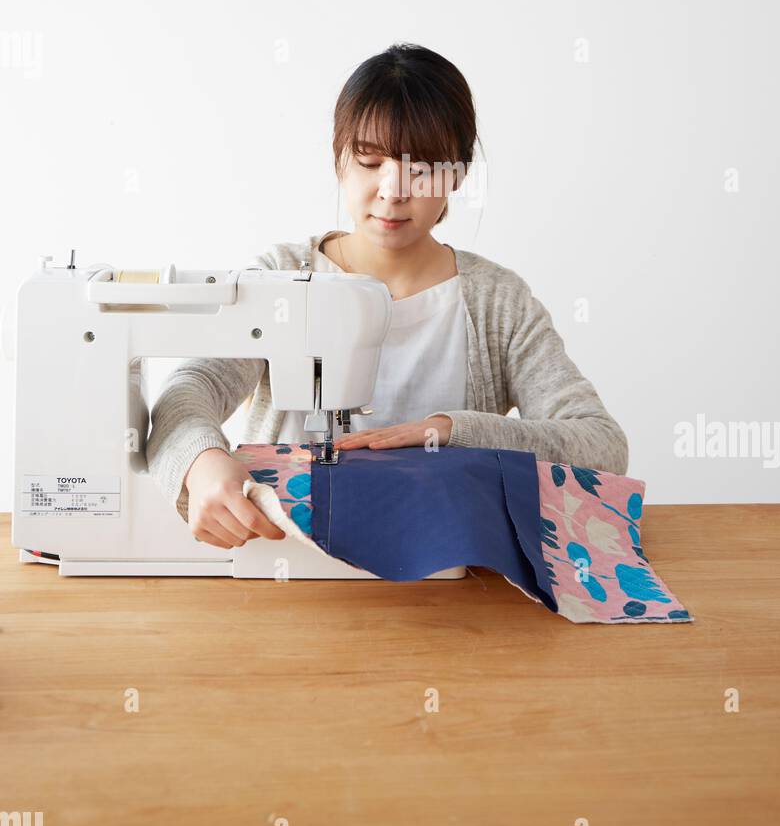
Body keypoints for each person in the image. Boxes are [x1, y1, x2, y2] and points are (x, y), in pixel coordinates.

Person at [146, 42, 628, 549]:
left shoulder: (498, 303)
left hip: (447, 592)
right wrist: (200, 462)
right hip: (285, 572)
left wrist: (453, 431)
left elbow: (602, 445)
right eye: (370, 161)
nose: (394, 190)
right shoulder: (281, 277)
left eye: (422, 168)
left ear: (459, 174)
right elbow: (188, 393)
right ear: (340, 162)